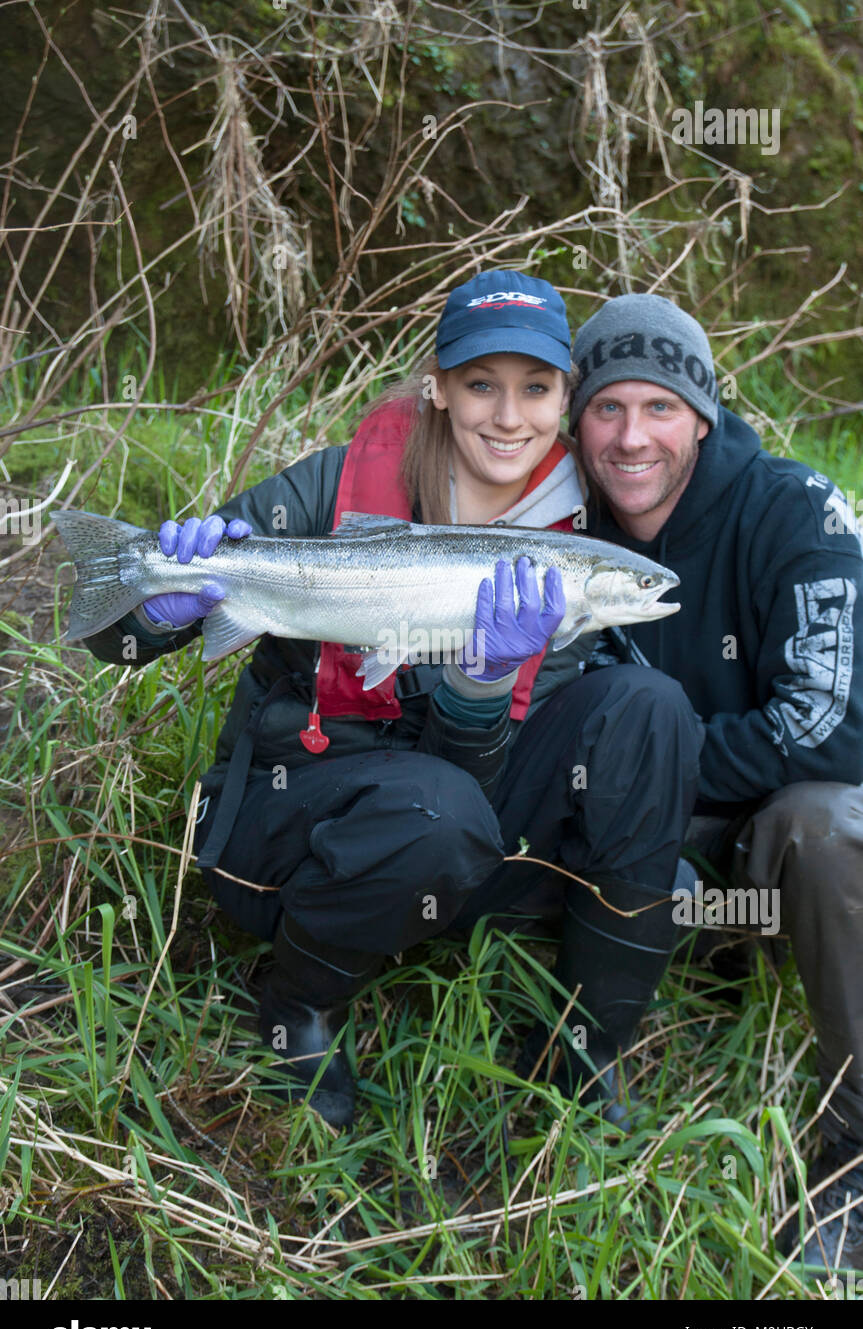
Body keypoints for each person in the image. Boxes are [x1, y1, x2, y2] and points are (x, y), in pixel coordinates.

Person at [82, 270, 700, 1134]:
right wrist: (158, 601)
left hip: (451, 825)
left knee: (649, 704)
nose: (508, 416)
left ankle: (586, 1048)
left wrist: (483, 678)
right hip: (291, 830)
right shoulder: (331, 485)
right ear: (437, 389)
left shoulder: (571, 551)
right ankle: (295, 1010)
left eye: (536, 389)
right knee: (433, 810)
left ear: (565, 400)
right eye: (481, 384)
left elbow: (468, 773)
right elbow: (110, 644)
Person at [567, 292, 863, 1271]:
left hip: (762, 873)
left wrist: (657, 765)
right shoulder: (553, 520)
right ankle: (566, 1066)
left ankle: (850, 1163)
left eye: (658, 408)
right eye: (606, 408)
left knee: (829, 823)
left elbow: (832, 729)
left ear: (700, 413)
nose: (630, 437)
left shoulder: (793, 511)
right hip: (630, 864)